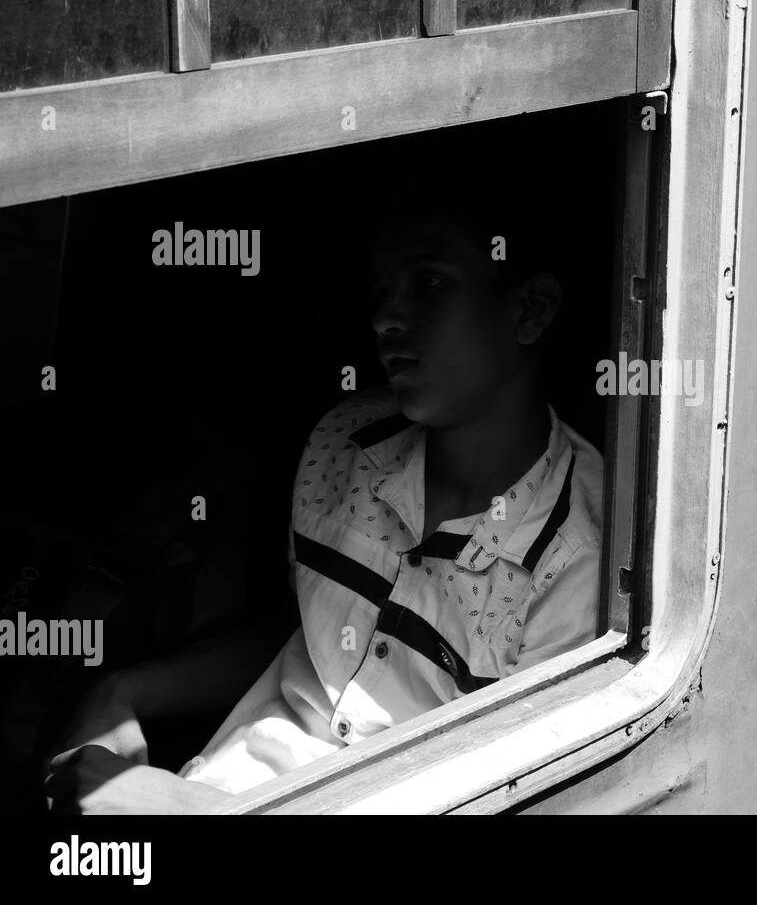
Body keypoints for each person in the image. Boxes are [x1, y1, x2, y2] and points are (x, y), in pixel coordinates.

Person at [43, 205, 605, 812]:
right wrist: (124, 690)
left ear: (530, 309)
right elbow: (315, 632)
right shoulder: (345, 443)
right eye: (381, 292)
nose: (387, 318)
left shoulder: (574, 561)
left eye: (430, 282)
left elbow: (515, 795)